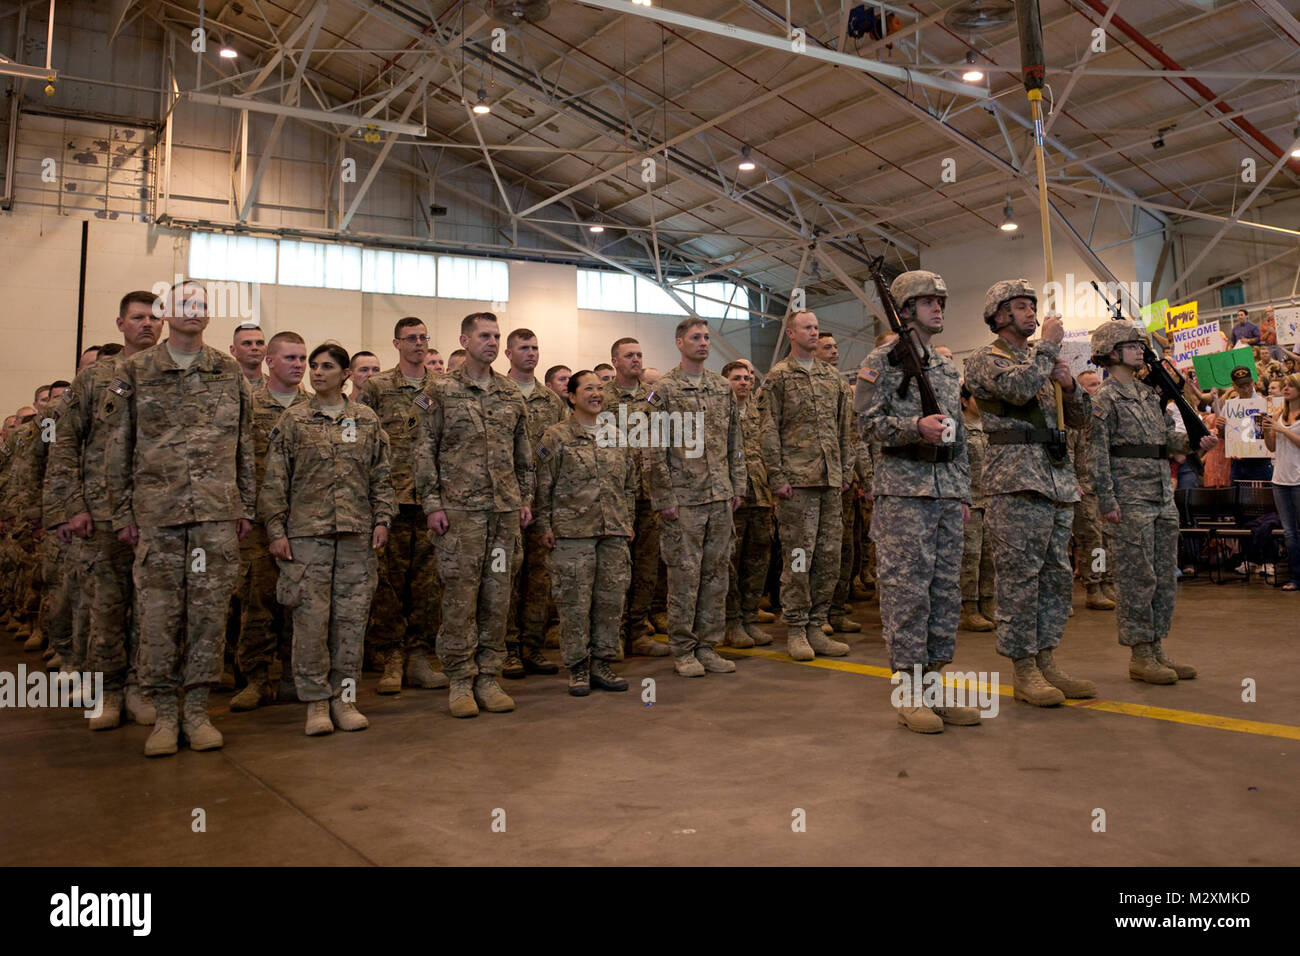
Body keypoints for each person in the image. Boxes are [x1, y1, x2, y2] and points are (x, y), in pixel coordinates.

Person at [104, 279, 256, 757]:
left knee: (209, 616)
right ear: (165, 313)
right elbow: (118, 446)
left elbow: (245, 445)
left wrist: (244, 506)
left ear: (209, 316)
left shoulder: (227, 371)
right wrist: (123, 511)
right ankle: (165, 715)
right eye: (183, 304)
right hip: (158, 516)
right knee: (159, 617)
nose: (193, 311)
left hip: (215, 515)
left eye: (201, 306)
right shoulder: (135, 370)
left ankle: (197, 710)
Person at [964, 279, 1095, 708]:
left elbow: (1078, 419)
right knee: (1020, 577)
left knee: (1055, 577)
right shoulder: (987, 359)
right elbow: (1017, 391)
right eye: (1020, 306)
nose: (1030, 313)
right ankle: (1023, 668)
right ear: (999, 316)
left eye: (1031, 306)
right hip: (1015, 480)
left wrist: (1071, 386)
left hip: (1055, 478)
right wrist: (1048, 351)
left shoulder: (1041, 360)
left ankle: (1047, 658)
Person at [857, 270, 976, 733]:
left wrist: (963, 491)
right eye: (927, 301)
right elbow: (866, 424)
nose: (938, 308)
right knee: (907, 593)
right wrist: (913, 429)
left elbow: (959, 436)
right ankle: (908, 695)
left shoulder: (946, 368)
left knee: (945, 593)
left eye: (940, 300)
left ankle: (933, 689)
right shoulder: (880, 361)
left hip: (946, 492)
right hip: (904, 493)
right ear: (904, 310)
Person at [259, 342, 396, 735]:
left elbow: (381, 476)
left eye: (327, 367)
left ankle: (346, 699)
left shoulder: (367, 420)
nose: (317, 372)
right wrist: (275, 530)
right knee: (311, 624)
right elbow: (275, 480)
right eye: (313, 366)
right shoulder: (294, 420)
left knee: (352, 624)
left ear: (346, 374)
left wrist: (383, 519)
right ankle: (316, 704)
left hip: (356, 537)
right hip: (306, 538)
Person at [44, 292, 162, 730]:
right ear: (120, 323)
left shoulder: (171, 374)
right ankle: (108, 692)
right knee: (106, 608)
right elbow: (66, 443)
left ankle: (141, 688)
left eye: (154, 317)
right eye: (138, 317)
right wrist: (71, 506)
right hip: (104, 513)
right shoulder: (95, 379)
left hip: (157, 514)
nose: (147, 325)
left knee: (152, 609)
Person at [415, 312, 533, 717]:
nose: (492, 342)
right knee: (460, 598)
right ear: (464, 340)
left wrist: (524, 501)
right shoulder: (440, 390)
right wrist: (432, 504)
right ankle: (461, 680)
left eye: (497, 335)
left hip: (502, 514)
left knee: (498, 596)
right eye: (485, 335)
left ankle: (488, 675)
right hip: (460, 515)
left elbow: (524, 458)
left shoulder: (510, 394)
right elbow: (424, 450)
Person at [1089, 322, 1218, 682]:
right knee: (1136, 576)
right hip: (1129, 499)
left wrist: (1194, 443)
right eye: (1131, 345)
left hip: (1161, 494)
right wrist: (1107, 500)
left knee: (1164, 576)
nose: (1139, 351)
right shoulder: (1104, 399)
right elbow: (1096, 454)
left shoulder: (1148, 395)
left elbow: (1166, 439)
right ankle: (1140, 653)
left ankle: (1158, 646)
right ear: (1111, 353)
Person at [644, 318, 746, 677]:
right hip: (683, 498)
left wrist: (737, 485)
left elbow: (735, 441)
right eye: (695, 338)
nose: (703, 343)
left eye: (706, 337)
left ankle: (708, 645)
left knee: (716, 575)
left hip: (719, 495)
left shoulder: (721, 387)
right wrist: (663, 497)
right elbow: (654, 448)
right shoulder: (665, 390)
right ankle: (684, 649)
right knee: (685, 577)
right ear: (679, 342)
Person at [358, 317, 446, 694]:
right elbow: (362, 444)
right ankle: (391, 656)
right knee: (389, 584)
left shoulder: (444, 387)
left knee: (429, 585)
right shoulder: (377, 388)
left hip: (432, 501)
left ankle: (420, 655)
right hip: (390, 500)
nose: (419, 344)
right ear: (396, 344)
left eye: (424, 338)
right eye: (411, 338)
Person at [533, 370, 635, 696]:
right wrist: (544, 525)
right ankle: (577, 666)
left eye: (600, 388)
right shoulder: (556, 437)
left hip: (613, 532)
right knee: (574, 602)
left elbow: (629, 485)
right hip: (571, 533)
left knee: (609, 600)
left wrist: (627, 521)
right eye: (588, 388)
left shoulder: (616, 436)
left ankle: (602, 662)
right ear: (572, 396)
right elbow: (542, 485)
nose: (596, 394)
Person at [760, 311, 854, 662]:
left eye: (816, 327)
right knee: (799, 557)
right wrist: (777, 477)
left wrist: (845, 472)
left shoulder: (833, 378)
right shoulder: (779, 377)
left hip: (830, 481)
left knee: (828, 557)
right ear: (791, 333)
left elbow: (845, 429)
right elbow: (768, 429)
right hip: (796, 483)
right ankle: (797, 628)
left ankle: (818, 624)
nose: (813, 333)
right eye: (807, 328)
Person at [229, 331, 310, 711]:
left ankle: (295, 675)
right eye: (290, 358)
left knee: (301, 604)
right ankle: (256, 679)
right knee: (257, 600)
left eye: (302, 359)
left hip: (305, 524)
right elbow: (234, 460)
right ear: (270, 362)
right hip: (258, 524)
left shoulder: (314, 409)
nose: (298, 365)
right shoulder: (248, 405)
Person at [502, 327, 565, 678]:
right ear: (508, 353)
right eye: (524, 348)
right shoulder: (498, 393)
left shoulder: (551, 401)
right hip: (506, 500)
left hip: (541, 502)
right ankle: (507, 649)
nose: (531, 353)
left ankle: (532, 647)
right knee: (507, 578)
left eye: (535, 347)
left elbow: (556, 453)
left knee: (540, 579)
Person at [602, 338, 670, 658]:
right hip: (617, 496)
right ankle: (613, 632)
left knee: (646, 566)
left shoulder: (655, 397)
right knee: (616, 567)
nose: (636, 360)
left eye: (640, 355)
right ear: (614, 360)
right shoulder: (602, 398)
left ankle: (639, 629)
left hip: (651, 494)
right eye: (629, 355)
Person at [815, 330, 866, 634]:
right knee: (816, 552)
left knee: (843, 547)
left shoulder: (841, 388)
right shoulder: (796, 382)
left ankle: (836, 608)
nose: (834, 351)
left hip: (842, 480)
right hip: (815, 480)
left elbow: (852, 435)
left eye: (835, 346)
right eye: (827, 347)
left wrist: (851, 474)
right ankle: (814, 615)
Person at [721, 360, 774, 648]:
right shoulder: (720, 412)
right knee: (732, 561)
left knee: (758, 560)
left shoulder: (760, 411)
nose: (744, 382)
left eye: (747, 378)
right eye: (736, 378)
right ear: (725, 381)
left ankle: (749, 617)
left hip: (761, 495)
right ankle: (731, 623)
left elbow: (771, 448)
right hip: (733, 498)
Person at [1069, 369, 1116, 611]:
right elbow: (1070, 453)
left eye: (1099, 383)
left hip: (1104, 487)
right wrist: (1074, 481)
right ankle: (1093, 587)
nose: (1096, 388)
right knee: (1092, 541)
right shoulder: (1077, 419)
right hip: (1085, 488)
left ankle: (1108, 581)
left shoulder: (1104, 416)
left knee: (1107, 539)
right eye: (1090, 385)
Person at [958, 383, 995, 631]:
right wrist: (960, 498)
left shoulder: (991, 428)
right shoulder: (958, 429)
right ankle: (969, 607)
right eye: (977, 398)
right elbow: (956, 465)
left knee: (990, 557)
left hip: (991, 499)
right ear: (964, 401)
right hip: (969, 500)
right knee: (970, 557)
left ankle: (988, 602)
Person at [1264, 372, 1300, 591]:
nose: (1286, 389)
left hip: (1298, 478)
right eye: (1284, 385)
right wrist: (1268, 431)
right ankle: (1295, 576)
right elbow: (1271, 447)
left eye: (1290, 385)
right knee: (1289, 532)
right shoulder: (1278, 414)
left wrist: (1282, 430)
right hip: (1280, 479)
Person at [1218, 365, 1274, 484]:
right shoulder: (1229, 406)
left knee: (1261, 500)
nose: (1246, 389)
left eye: (1248, 385)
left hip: (1260, 462)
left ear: (1253, 382)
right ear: (1233, 386)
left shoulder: (1264, 403)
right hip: (1238, 463)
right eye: (1241, 386)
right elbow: (1225, 436)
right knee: (1237, 498)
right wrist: (1221, 427)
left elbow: (1272, 434)